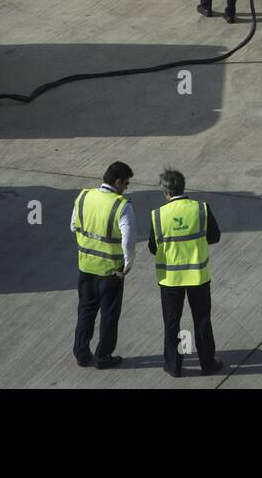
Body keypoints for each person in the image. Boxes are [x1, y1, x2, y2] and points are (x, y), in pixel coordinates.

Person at [148, 168, 223, 378]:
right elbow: (215, 236)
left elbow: (153, 247)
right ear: (183, 186)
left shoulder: (158, 215)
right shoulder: (201, 209)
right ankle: (207, 364)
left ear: (165, 192)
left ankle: (173, 365)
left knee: (172, 322)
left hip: (170, 281)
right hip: (198, 277)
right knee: (202, 320)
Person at [70, 161, 135, 369]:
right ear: (117, 182)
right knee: (109, 314)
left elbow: (73, 226)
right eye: (126, 183)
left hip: (86, 267)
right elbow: (127, 239)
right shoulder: (121, 205)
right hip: (111, 271)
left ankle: (81, 353)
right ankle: (103, 356)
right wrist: (128, 262)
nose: (126, 187)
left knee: (86, 311)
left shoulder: (83, 196)